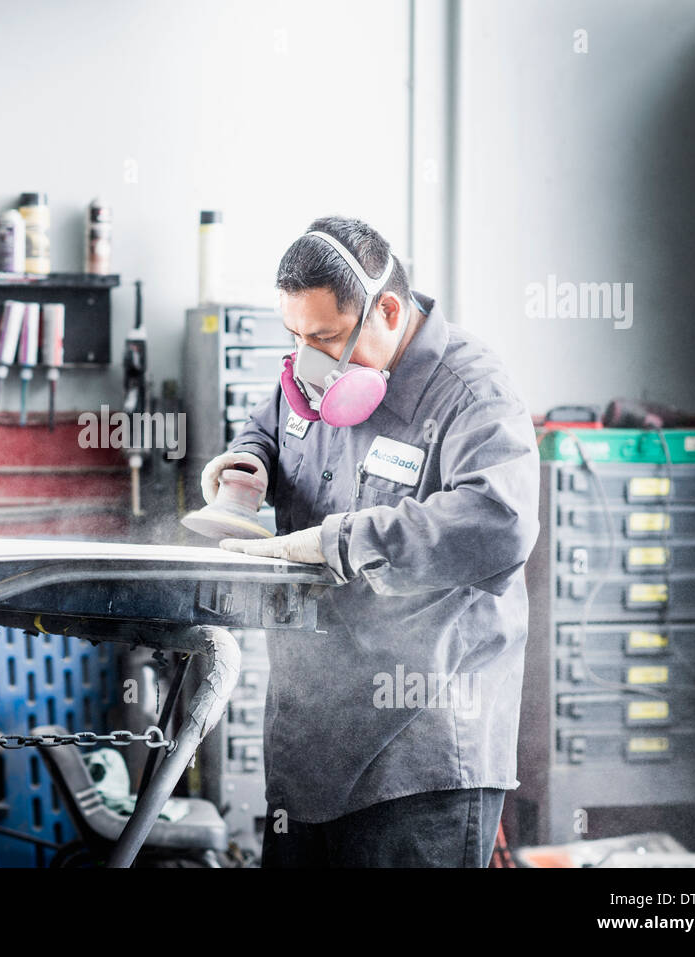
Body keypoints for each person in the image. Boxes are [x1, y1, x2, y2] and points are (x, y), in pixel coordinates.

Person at [206, 215, 540, 867]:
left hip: (418, 765)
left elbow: (500, 521)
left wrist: (344, 543)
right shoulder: (311, 374)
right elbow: (272, 428)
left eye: (326, 338)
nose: (307, 360)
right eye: (295, 336)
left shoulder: (472, 391)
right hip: (308, 750)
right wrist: (250, 464)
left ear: (386, 309)